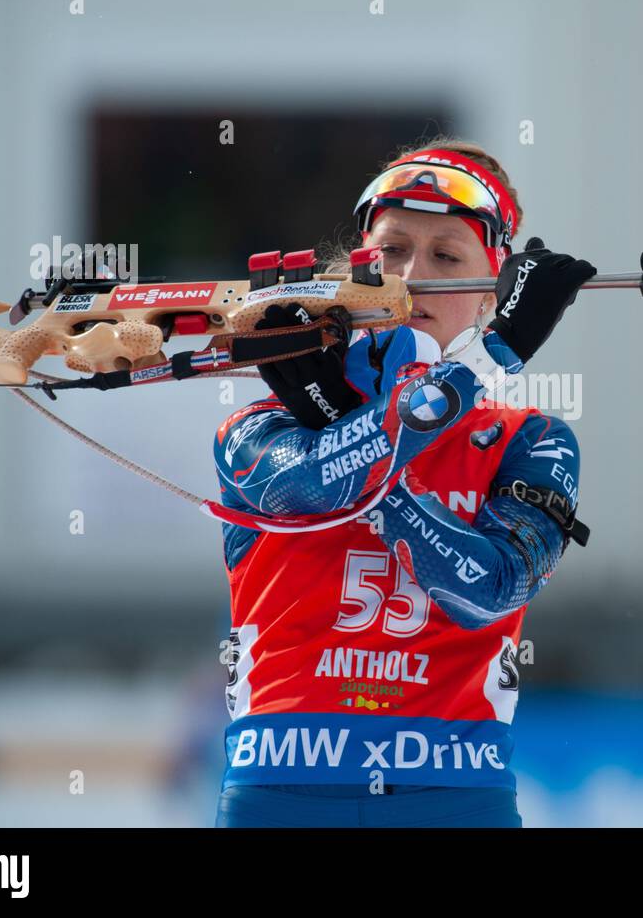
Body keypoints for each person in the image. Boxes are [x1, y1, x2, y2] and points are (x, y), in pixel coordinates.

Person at [211, 140, 595, 827]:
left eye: (447, 257)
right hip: (282, 792)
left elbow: (491, 590)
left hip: (452, 795)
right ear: (357, 266)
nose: (414, 277)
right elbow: (302, 489)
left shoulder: (529, 439)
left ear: (491, 290)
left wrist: (468, 370)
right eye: (391, 252)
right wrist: (486, 357)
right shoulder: (266, 417)